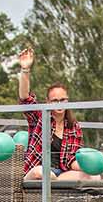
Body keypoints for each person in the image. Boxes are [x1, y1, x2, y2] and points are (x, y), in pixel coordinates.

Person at [17, 47, 90, 181]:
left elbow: (71, 160)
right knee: (42, 173)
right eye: (54, 100)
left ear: (67, 100)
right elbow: (25, 98)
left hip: (61, 173)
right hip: (37, 170)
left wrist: (88, 165)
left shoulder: (74, 127)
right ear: (48, 102)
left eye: (62, 100)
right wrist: (25, 69)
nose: (59, 103)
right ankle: (55, 185)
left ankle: (57, 185)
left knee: (94, 177)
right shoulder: (40, 117)